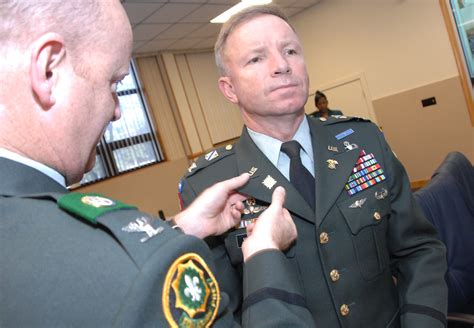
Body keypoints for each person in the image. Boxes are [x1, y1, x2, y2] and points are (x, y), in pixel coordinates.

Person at [0, 1, 315, 326]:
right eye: (113, 83)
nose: (117, 111)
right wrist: (264, 254)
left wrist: (178, 229)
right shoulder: (138, 266)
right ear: (48, 70)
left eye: (291, 52)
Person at [178, 4, 448, 327]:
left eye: (290, 51)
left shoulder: (363, 141)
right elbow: (221, 314)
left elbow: (420, 250)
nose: (281, 66)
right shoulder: (209, 187)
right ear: (229, 89)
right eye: (256, 58)